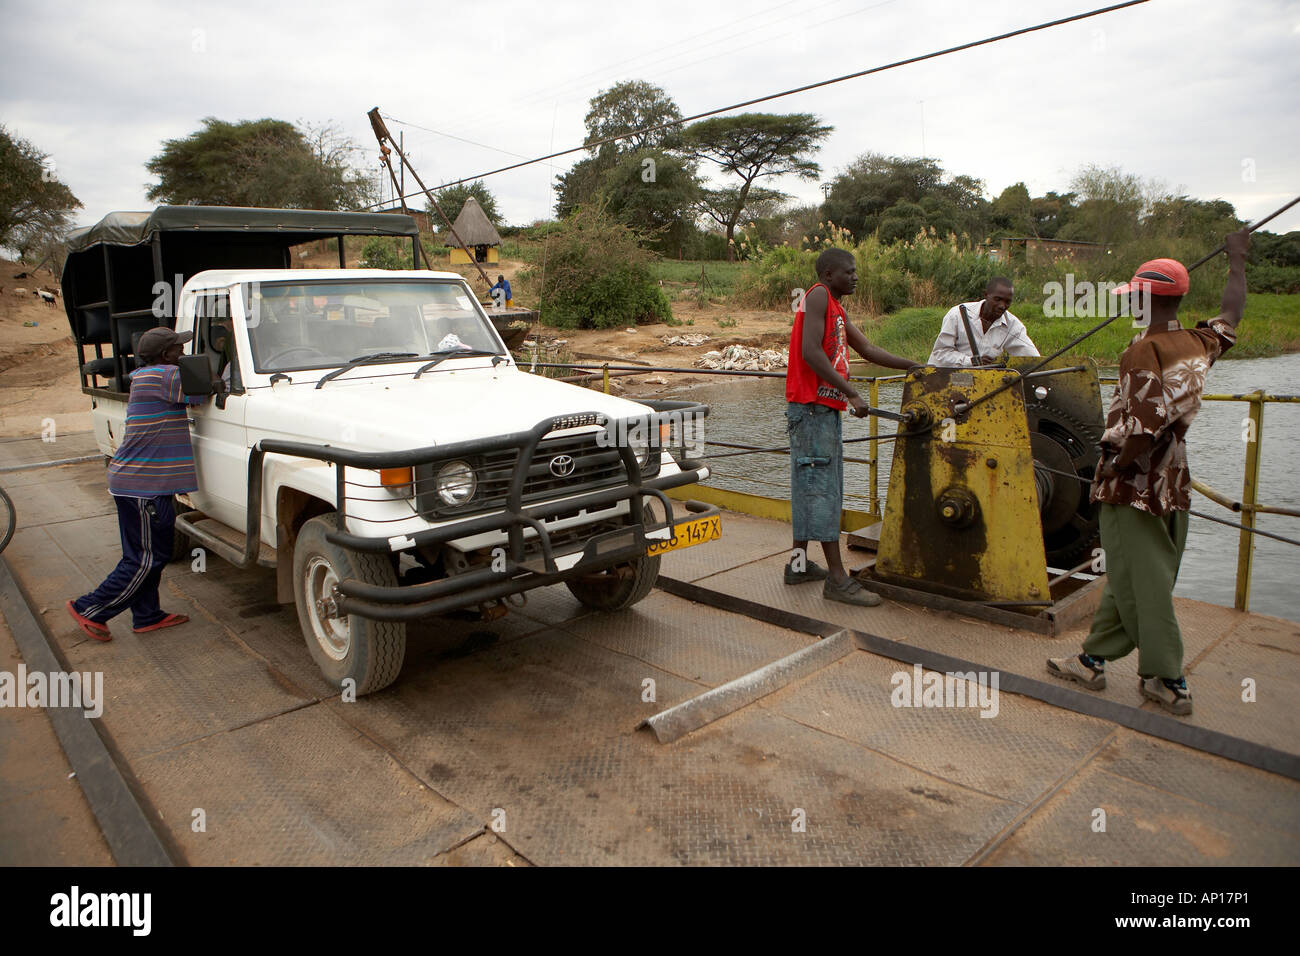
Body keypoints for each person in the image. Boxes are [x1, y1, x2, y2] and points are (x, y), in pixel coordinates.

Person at [1047, 229, 1251, 716]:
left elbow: (1141, 428)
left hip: (1134, 482)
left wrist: (1111, 470)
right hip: (1173, 476)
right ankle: (1092, 660)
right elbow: (1232, 314)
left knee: (1147, 583)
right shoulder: (1198, 342)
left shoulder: (1142, 353)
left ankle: (1167, 679)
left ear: (1142, 297)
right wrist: (1237, 261)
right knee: (1132, 571)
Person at [784, 248, 918, 606]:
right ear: (829, 274)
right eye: (849, 271)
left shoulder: (836, 308)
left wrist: (915, 366)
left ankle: (797, 565)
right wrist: (853, 394)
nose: (856, 276)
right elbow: (810, 352)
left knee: (811, 485)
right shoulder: (817, 296)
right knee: (823, 490)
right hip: (811, 411)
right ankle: (837, 580)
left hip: (820, 411)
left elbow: (869, 349)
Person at [66, 327, 212, 640]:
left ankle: (147, 615)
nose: (183, 353)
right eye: (178, 349)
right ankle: (89, 608)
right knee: (146, 559)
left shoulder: (147, 376)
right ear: (165, 355)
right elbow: (204, 392)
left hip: (135, 484)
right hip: (143, 488)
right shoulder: (165, 376)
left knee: (145, 556)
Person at [926, 277, 1039, 366]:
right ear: (986, 295)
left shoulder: (1013, 325)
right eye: (998, 299)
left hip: (980, 383)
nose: (1002, 306)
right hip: (944, 377)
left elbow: (1033, 359)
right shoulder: (957, 314)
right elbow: (940, 353)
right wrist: (970, 361)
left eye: (1007, 302)